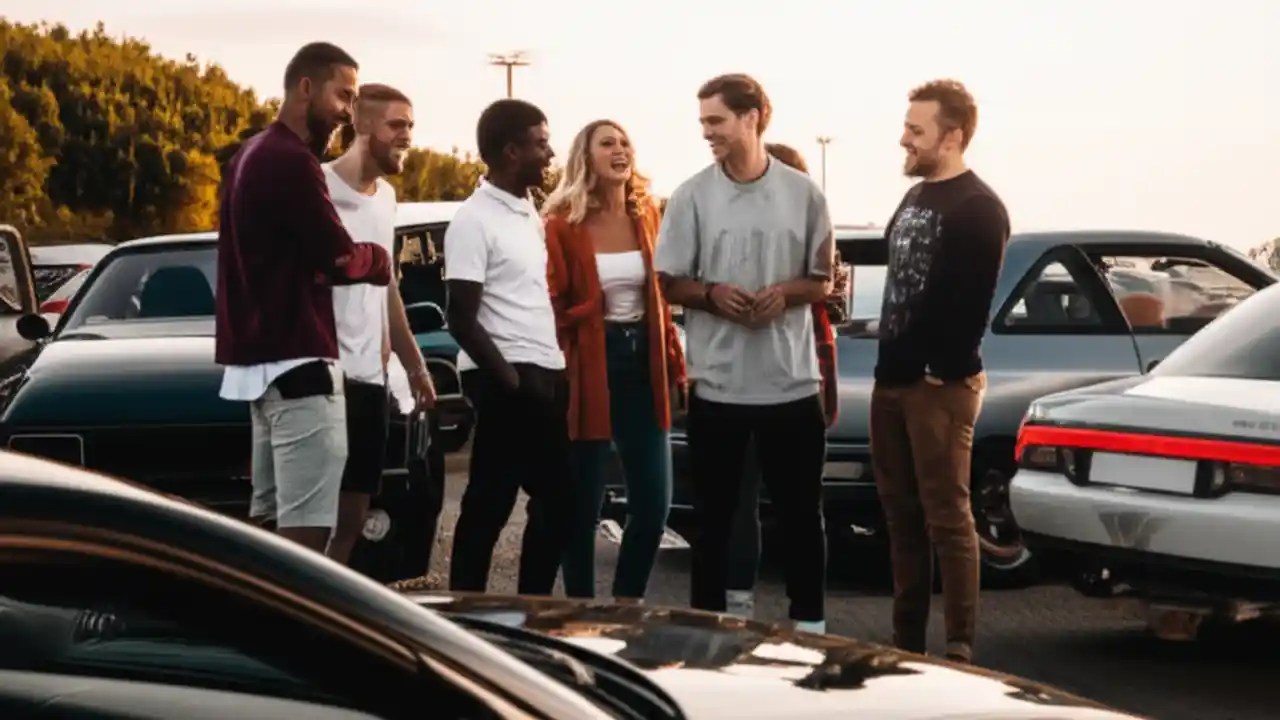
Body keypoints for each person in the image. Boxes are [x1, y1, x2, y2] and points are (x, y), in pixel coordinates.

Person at [654, 74, 835, 633]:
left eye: (716, 121)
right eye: (704, 121)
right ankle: (713, 632)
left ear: (752, 117)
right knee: (712, 522)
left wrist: (785, 294)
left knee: (803, 518)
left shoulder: (804, 194)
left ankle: (811, 629)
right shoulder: (690, 196)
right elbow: (668, 282)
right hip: (718, 386)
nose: (706, 132)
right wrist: (711, 295)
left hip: (791, 385)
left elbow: (821, 280)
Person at [215, 42, 393, 554]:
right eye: (344, 96)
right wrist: (381, 260)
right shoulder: (292, 160)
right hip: (301, 366)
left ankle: (254, 629)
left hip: (259, 371)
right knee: (306, 536)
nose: (348, 110)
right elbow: (342, 259)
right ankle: (294, 634)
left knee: (267, 526)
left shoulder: (248, 154)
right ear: (306, 87)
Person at [870, 79, 1009, 664]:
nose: (904, 138)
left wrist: (934, 372)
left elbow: (971, 306)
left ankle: (958, 647)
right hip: (891, 381)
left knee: (947, 517)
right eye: (907, 126)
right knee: (900, 515)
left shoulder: (978, 207)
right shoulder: (917, 195)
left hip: (938, 388)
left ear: (952, 136)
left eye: (916, 130)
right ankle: (905, 644)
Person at [542, 119, 686, 603]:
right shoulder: (562, 224)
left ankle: (627, 604)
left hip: (643, 363)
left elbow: (662, 300)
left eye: (625, 142)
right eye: (608, 143)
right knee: (582, 504)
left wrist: (674, 365)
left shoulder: (647, 214)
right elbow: (553, 303)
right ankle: (581, 609)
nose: (620, 150)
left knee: (653, 504)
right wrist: (591, 313)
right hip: (588, 364)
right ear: (587, 156)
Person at [443, 98, 571, 596]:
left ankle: (529, 608)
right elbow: (460, 316)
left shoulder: (526, 213)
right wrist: (511, 379)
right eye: (541, 144)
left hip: (544, 370)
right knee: (497, 500)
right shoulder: (474, 220)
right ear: (511, 151)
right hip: (507, 375)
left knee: (550, 501)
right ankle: (466, 610)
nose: (551, 153)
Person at [723, 141, 847, 618]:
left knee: (794, 506)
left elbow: (824, 296)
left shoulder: (809, 233)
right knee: (744, 503)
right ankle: (740, 607)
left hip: (793, 382)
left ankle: (805, 617)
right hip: (741, 382)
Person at [322, 83, 438, 566]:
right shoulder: (318, 186)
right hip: (323, 377)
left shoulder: (386, 197)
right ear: (362, 124)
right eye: (397, 124)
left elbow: (386, 284)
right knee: (307, 517)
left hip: (370, 378)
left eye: (410, 125)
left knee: (354, 517)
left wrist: (414, 366)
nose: (407, 135)